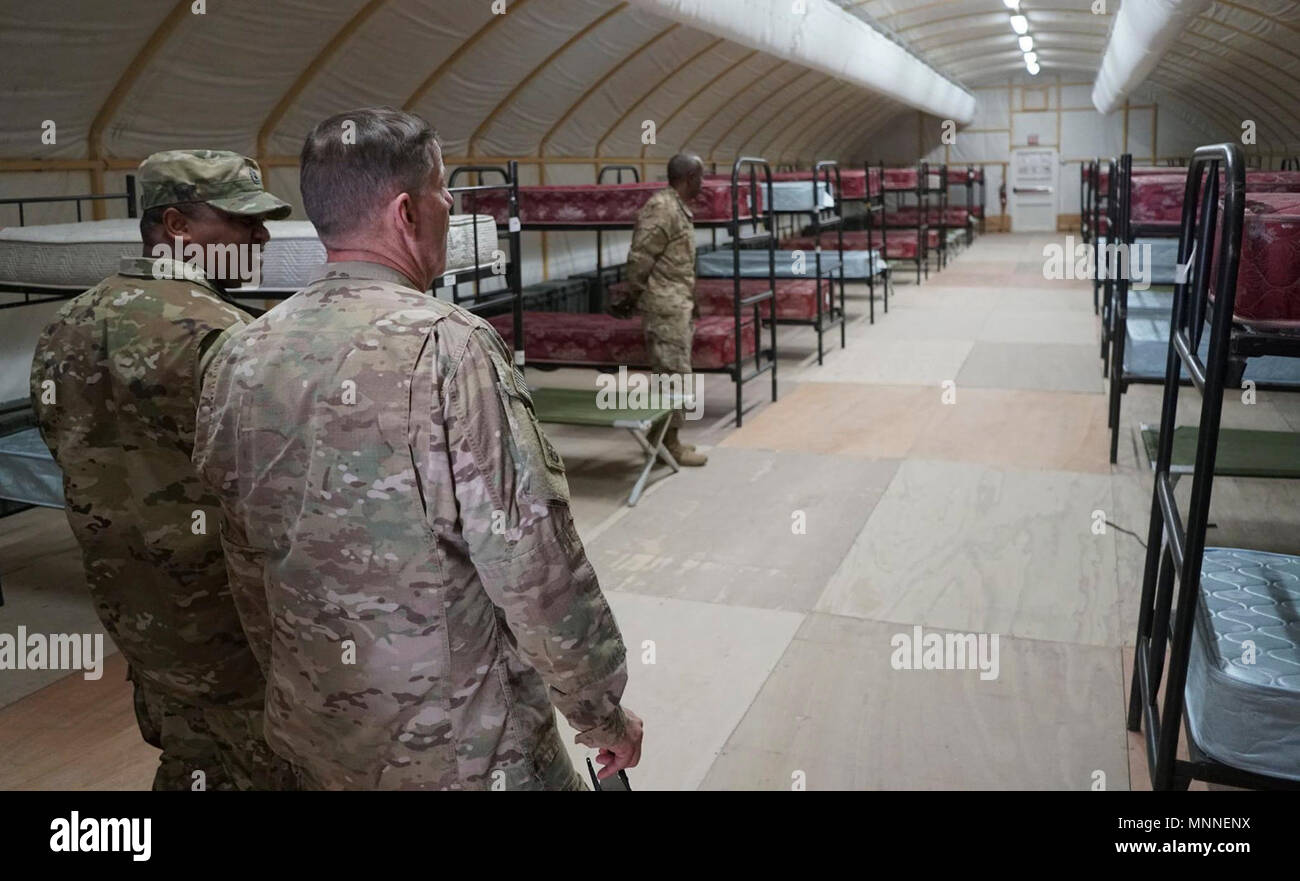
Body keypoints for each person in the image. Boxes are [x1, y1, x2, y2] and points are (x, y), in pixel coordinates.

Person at [193, 107, 642, 790]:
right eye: (443, 192)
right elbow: (530, 560)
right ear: (407, 212)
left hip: (314, 736)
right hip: (459, 748)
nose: (447, 208)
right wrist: (599, 709)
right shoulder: (450, 348)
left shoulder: (238, 354)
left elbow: (243, 562)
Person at [30, 149, 298, 790]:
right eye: (241, 221)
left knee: (188, 760)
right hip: (231, 619)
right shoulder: (228, 338)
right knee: (271, 767)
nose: (260, 236)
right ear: (176, 224)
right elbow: (282, 491)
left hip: (134, 604)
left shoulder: (66, 325)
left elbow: (66, 451)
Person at [625, 152, 708, 466]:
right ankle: (668, 444)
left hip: (677, 304)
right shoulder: (662, 208)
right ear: (688, 177)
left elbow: (678, 263)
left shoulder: (678, 208)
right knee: (673, 377)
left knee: (674, 375)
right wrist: (631, 294)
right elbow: (641, 257)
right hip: (664, 308)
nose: (703, 183)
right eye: (700, 176)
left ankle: (661, 439)